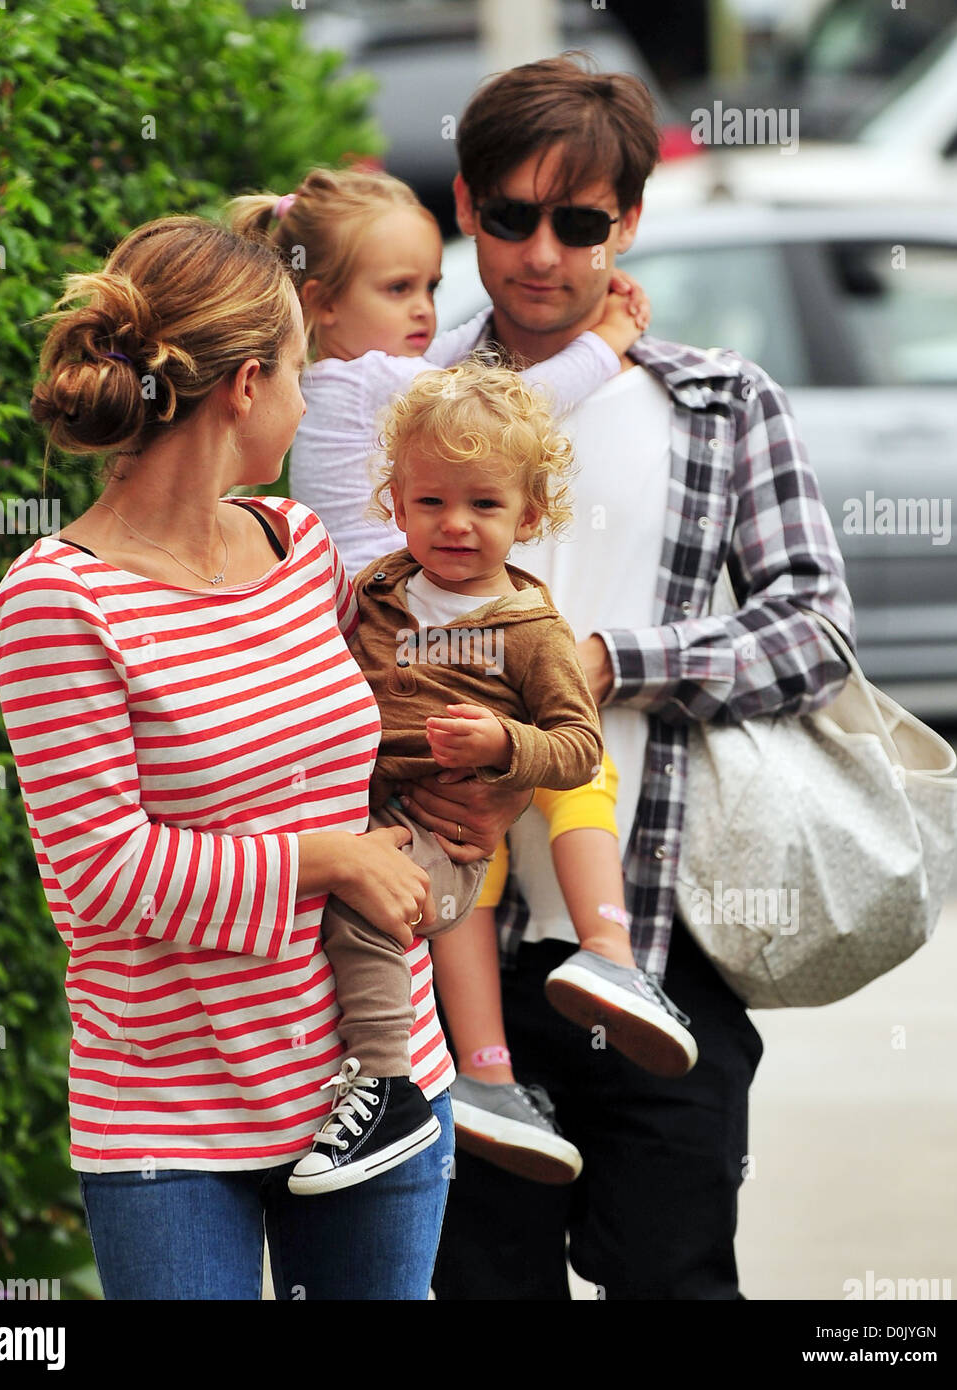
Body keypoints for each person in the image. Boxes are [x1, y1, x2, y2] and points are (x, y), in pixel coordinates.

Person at [0, 214, 530, 1300]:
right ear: (244, 385)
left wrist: (484, 787)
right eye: (296, 371)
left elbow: (378, 741)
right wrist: (326, 861)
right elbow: (98, 874)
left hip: (377, 1085)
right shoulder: (60, 601)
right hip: (172, 1118)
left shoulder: (298, 545)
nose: (306, 395)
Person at [424, 55, 857, 1300]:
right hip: (459, 947)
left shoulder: (718, 403)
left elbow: (812, 627)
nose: (540, 254)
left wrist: (616, 663)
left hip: (662, 950)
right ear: (465, 205)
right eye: (508, 216)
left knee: (675, 1279)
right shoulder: (413, 410)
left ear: (628, 221)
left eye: (579, 222)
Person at [229, 172, 698, 1187]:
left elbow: (451, 377)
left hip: (394, 652)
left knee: (446, 850)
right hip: (410, 637)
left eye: (428, 288)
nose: (426, 316)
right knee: (514, 795)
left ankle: (475, 1062)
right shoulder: (361, 388)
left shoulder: (358, 378)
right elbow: (510, 409)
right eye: (398, 290)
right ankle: (597, 957)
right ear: (318, 307)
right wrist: (604, 347)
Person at [226, 166, 650, 580]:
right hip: (385, 604)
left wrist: (555, 295)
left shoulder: (343, 374)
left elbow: (453, 355)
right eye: (399, 288)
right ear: (326, 304)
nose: (422, 308)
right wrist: (609, 337)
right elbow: (518, 402)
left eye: (431, 287)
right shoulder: (368, 381)